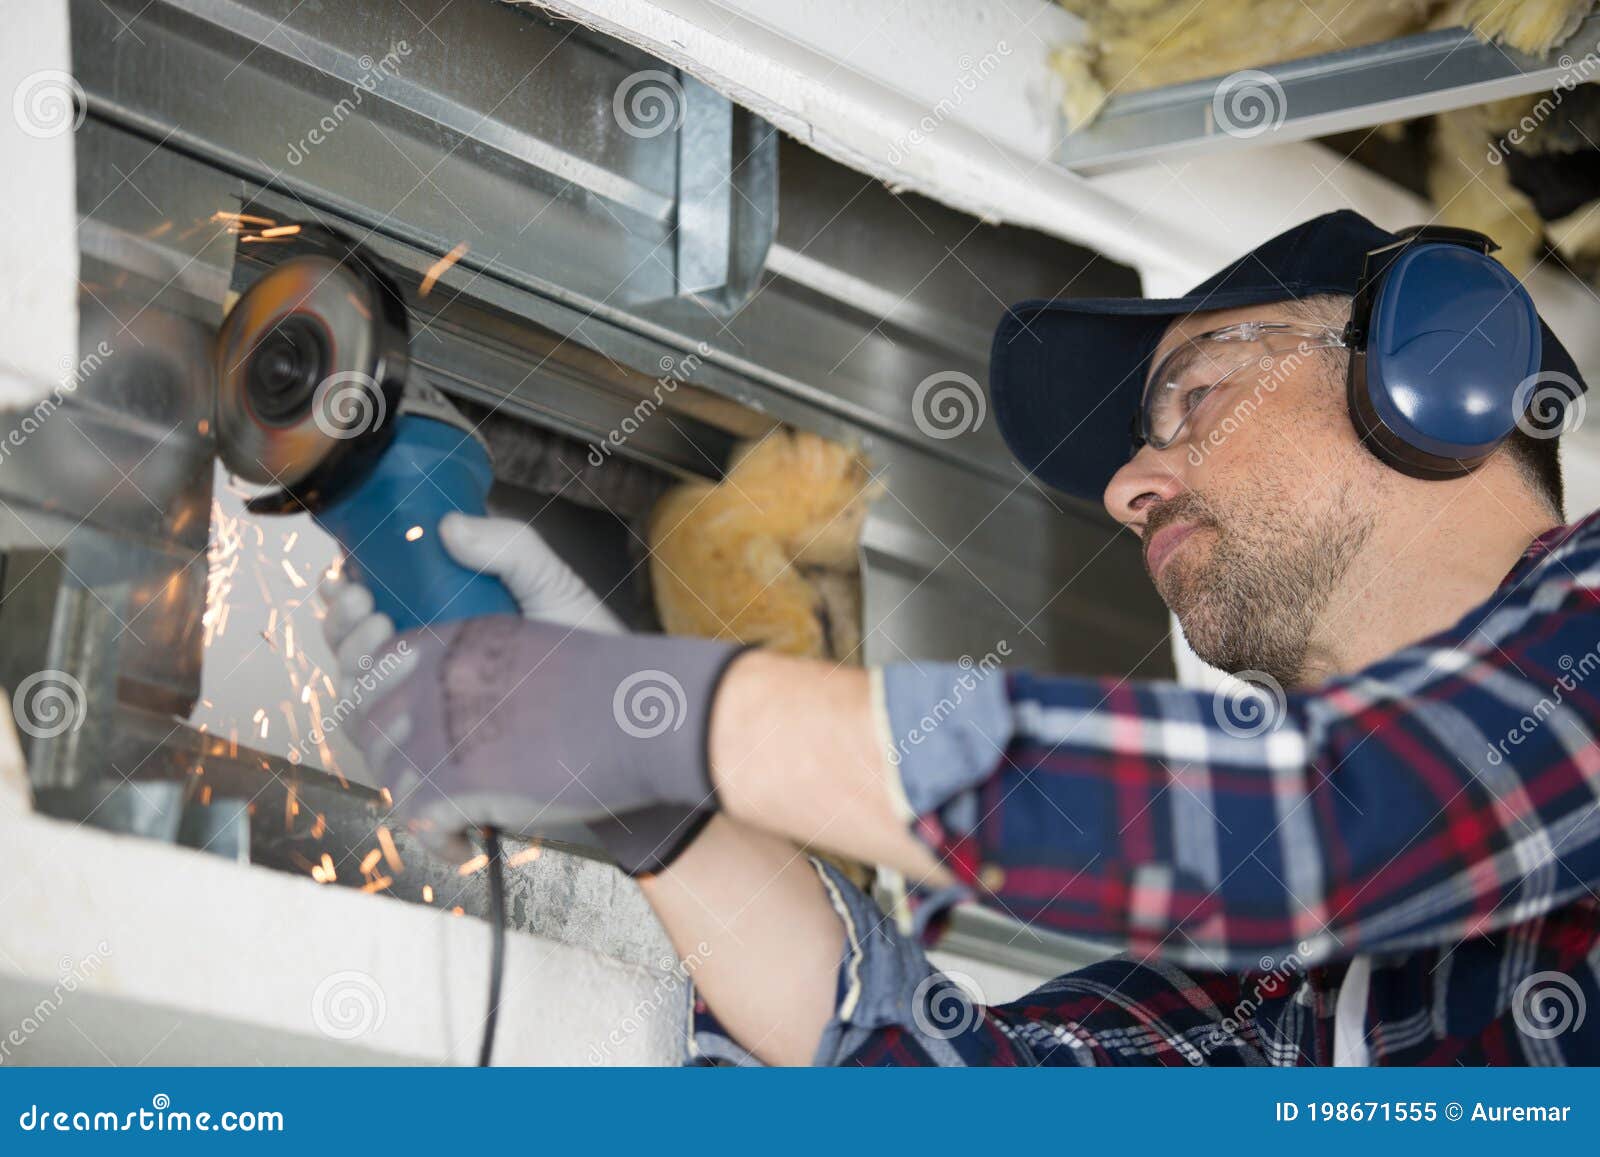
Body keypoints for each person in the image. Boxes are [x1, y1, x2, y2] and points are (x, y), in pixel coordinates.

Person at [321, 210, 1600, 1066]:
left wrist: (684, 701)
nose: (1122, 489)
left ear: (1443, 366)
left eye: (1192, 393)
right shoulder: (1266, 995)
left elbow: (1328, 820)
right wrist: (642, 788)